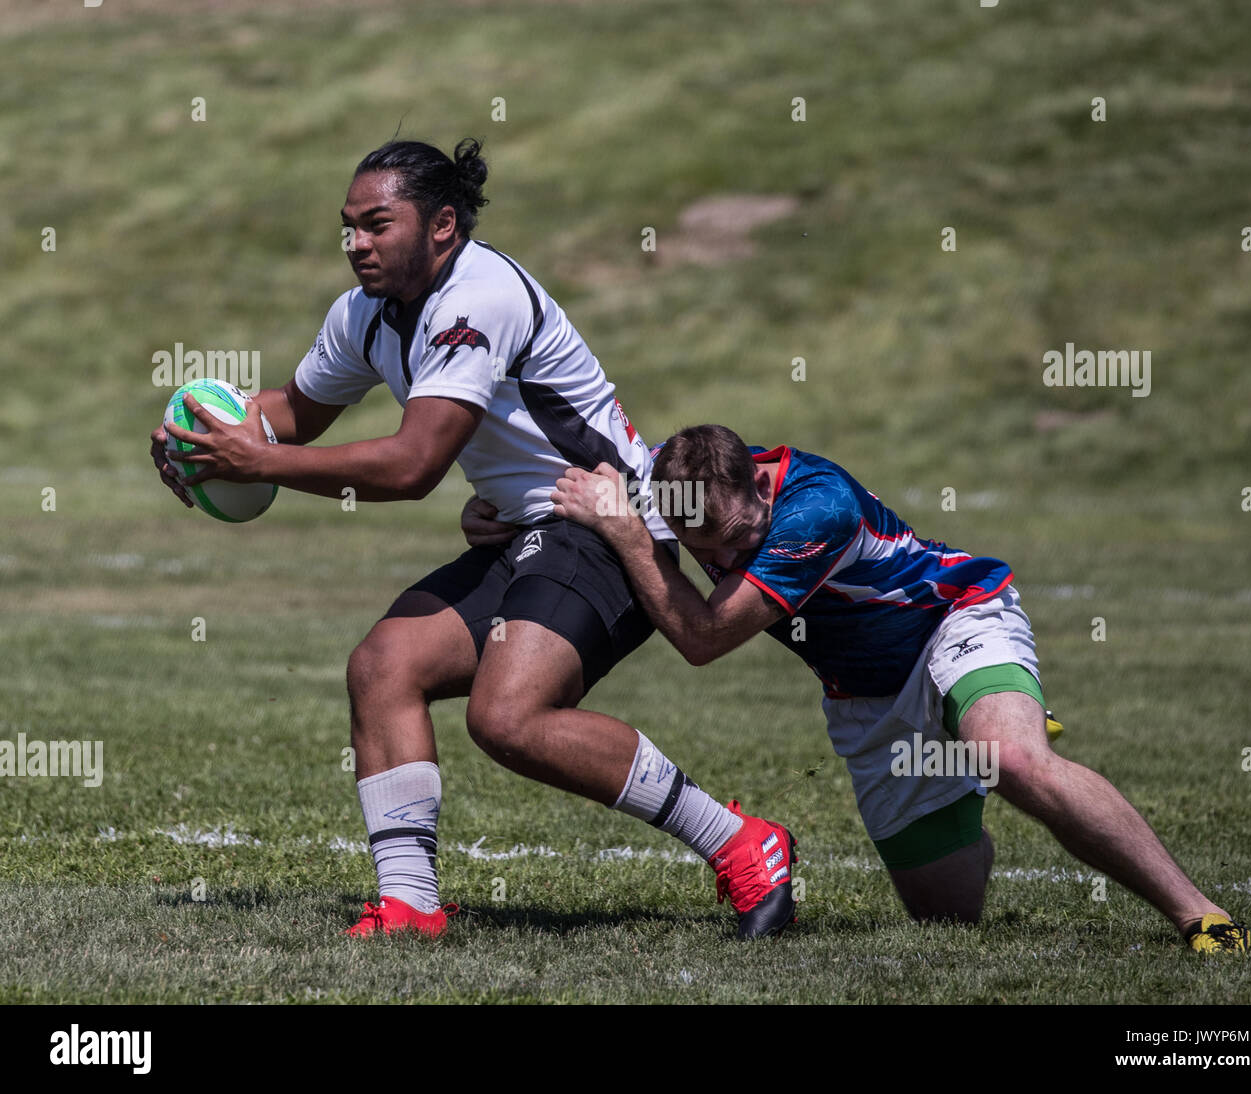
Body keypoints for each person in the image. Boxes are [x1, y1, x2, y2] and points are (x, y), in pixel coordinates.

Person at [150, 141, 795, 941]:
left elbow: (414, 464)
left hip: (606, 522)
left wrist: (266, 462)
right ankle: (410, 904)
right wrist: (203, 433)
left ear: (443, 225)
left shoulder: (478, 297)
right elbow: (294, 412)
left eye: (377, 225)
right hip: (526, 529)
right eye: (348, 228)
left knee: (508, 717)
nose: (357, 244)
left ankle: (743, 843)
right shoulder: (363, 315)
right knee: (383, 666)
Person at [538, 423, 1251, 952]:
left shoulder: (817, 510)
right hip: (867, 702)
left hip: (953, 622)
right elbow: (583, 483)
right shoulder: (685, 491)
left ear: (760, 482)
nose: (723, 557)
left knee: (1015, 762)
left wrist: (632, 537)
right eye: (705, 551)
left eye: (735, 537)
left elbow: (703, 638)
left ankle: (1202, 915)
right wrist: (504, 521)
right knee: (947, 921)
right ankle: (969, 742)